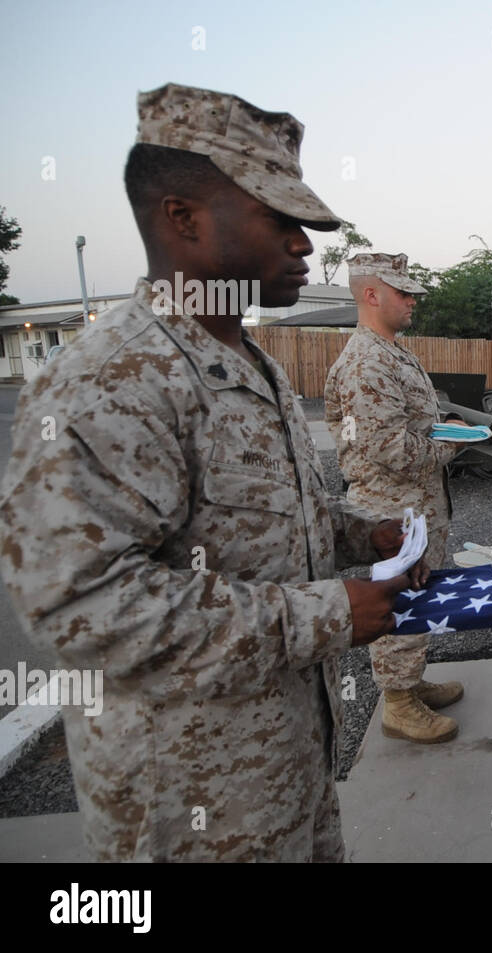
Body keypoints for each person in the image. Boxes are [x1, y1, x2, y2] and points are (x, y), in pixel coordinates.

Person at [0, 83, 424, 862]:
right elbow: (83, 606)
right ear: (182, 217)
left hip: (287, 777)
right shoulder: (111, 378)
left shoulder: (246, 360)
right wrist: (326, 614)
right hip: (192, 812)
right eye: (278, 219)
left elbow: (263, 518)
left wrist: (363, 533)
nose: (304, 244)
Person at [324, 252, 464, 744]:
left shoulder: (390, 351)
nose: (412, 300)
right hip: (392, 509)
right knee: (398, 600)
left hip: (413, 504)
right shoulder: (367, 362)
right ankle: (398, 702)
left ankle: (411, 681)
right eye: (402, 292)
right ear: (370, 295)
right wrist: (455, 444)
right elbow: (388, 448)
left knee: (417, 597)